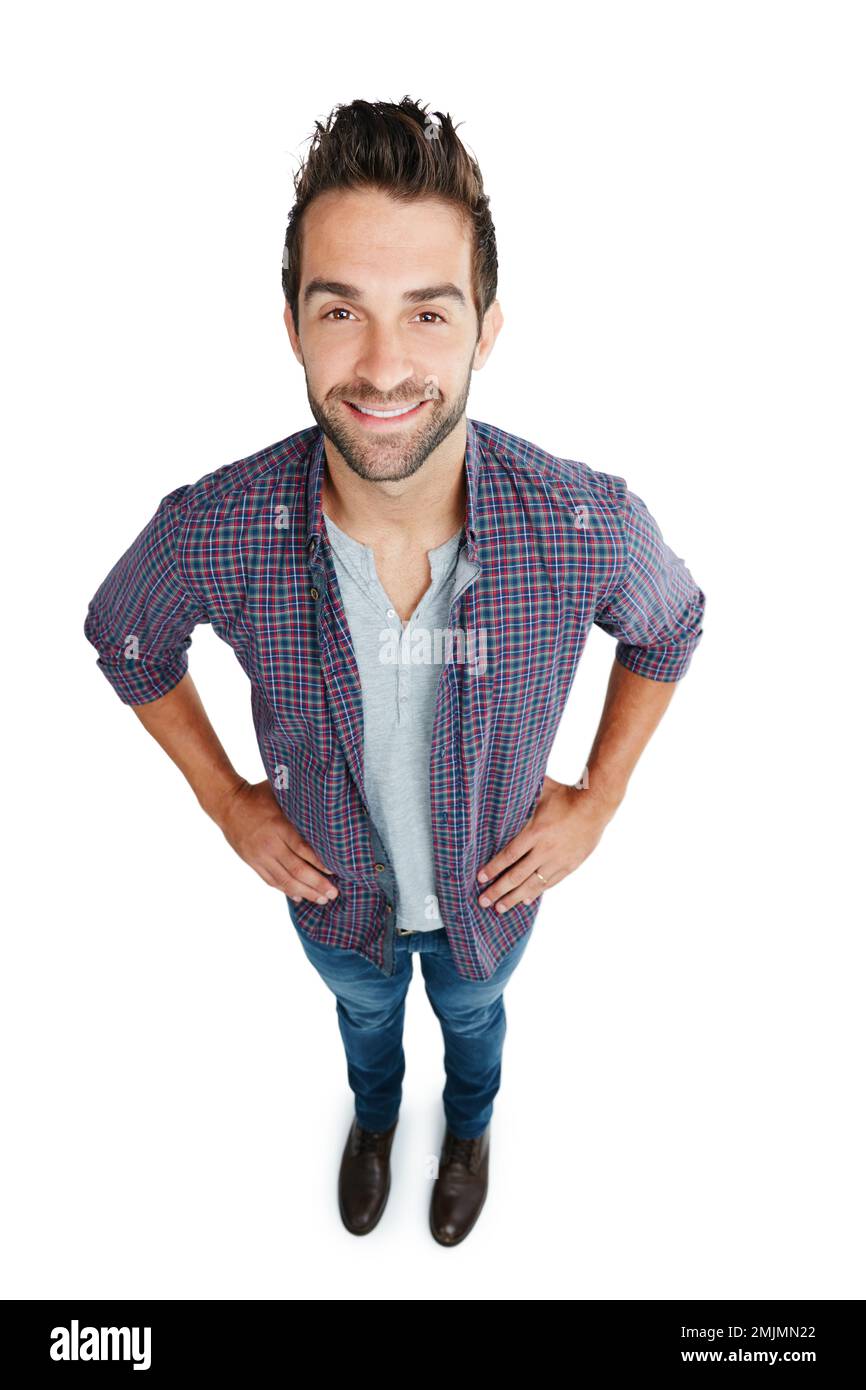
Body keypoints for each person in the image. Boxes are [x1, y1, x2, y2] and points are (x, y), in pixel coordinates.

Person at [83, 96, 706, 1247]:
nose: (380, 365)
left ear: (484, 327)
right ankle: (374, 1119)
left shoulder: (582, 522)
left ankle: (467, 1130)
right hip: (337, 910)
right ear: (292, 326)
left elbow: (668, 626)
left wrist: (600, 796)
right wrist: (226, 802)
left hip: (488, 908)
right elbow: (125, 636)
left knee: (475, 1029)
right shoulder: (213, 527)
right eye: (340, 310)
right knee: (365, 1026)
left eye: (426, 311)